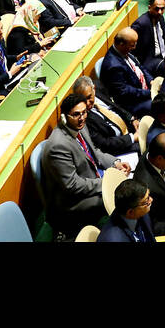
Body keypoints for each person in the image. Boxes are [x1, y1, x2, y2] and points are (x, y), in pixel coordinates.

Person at [43, 91, 132, 237]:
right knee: (120, 198)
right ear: (64, 118)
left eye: (84, 113)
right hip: (72, 203)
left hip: (90, 181)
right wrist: (107, 183)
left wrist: (116, 163)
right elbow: (73, 185)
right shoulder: (58, 146)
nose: (82, 118)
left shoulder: (81, 126)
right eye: (76, 114)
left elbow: (94, 152)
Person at [99, 28, 154, 118]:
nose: (135, 47)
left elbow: (140, 67)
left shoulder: (123, 51)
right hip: (132, 103)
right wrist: (149, 93)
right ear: (121, 44)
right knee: (161, 105)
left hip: (142, 90)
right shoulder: (113, 66)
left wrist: (151, 81)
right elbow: (125, 92)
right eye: (132, 45)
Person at [132, 0, 165, 74]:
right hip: (149, 59)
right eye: (157, 9)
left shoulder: (160, 18)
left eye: (162, 9)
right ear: (149, 8)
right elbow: (131, 48)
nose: (160, 12)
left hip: (163, 53)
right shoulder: (140, 24)